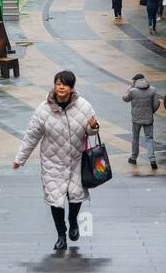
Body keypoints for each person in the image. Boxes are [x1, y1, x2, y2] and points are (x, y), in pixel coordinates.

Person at [13, 70, 100, 252]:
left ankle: (73, 220)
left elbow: (91, 130)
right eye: (58, 83)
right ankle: (61, 234)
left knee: (76, 196)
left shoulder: (84, 106)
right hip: (52, 162)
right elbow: (32, 135)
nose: (61, 87)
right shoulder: (43, 109)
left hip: (77, 159)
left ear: (72, 87)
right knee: (56, 200)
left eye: (65, 84)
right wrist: (20, 158)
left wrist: (93, 127)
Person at [122, 72, 162, 171]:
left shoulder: (133, 91)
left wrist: (130, 87)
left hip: (136, 119)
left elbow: (124, 98)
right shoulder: (152, 90)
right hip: (148, 118)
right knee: (149, 138)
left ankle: (134, 157)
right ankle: (152, 159)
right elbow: (157, 104)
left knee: (135, 138)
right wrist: (151, 111)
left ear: (135, 81)